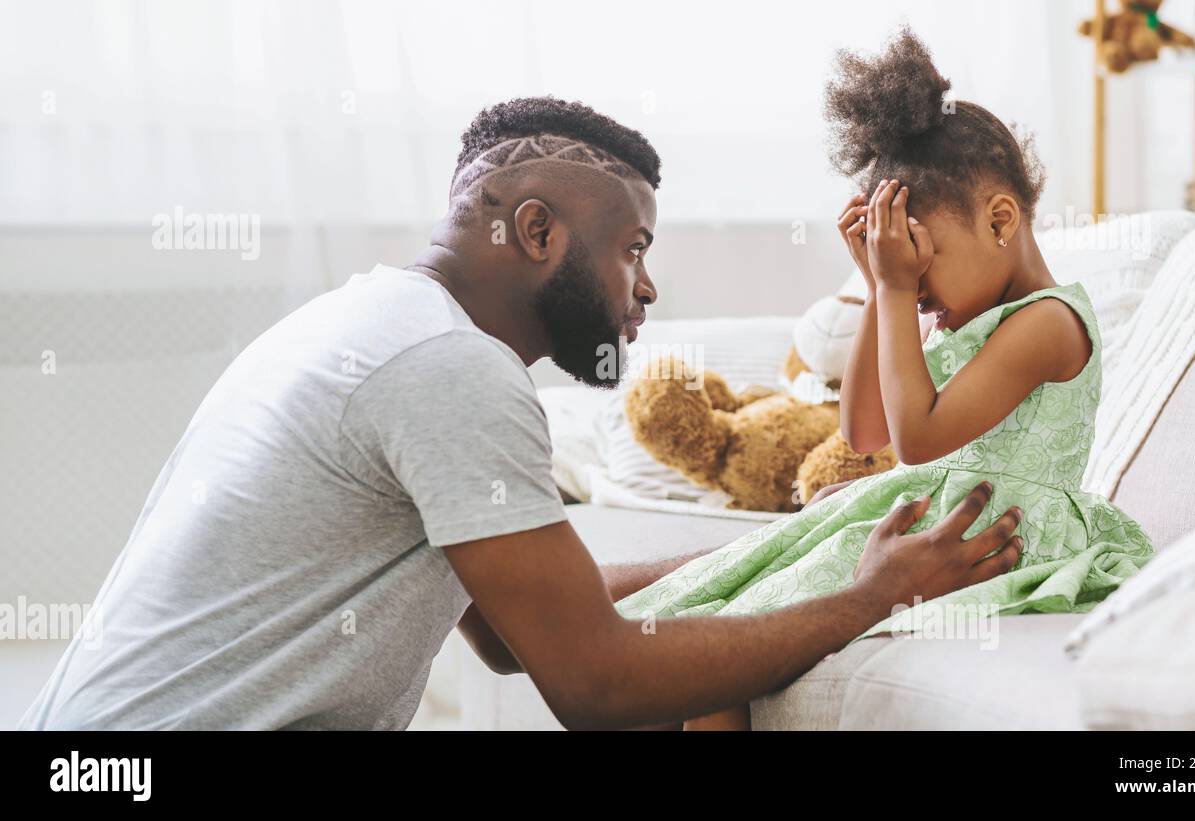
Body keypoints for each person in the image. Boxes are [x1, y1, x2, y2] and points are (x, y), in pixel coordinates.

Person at [20, 96, 1022, 731]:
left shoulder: (365, 322)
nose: (648, 288)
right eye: (632, 248)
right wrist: (863, 596)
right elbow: (598, 685)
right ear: (536, 229)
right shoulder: (450, 366)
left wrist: (792, 547)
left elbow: (508, 628)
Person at [614, 28, 1155, 730]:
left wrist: (899, 293)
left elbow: (920, 438)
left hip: (991, 537)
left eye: (919, 263)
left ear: (1000, 219)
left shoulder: (1049, 322)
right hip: (935, 522)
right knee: (702, 628)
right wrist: (878, 288)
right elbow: (867, 430)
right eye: (902, 266)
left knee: (727, 651)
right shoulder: (957, 316)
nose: (915, 287)